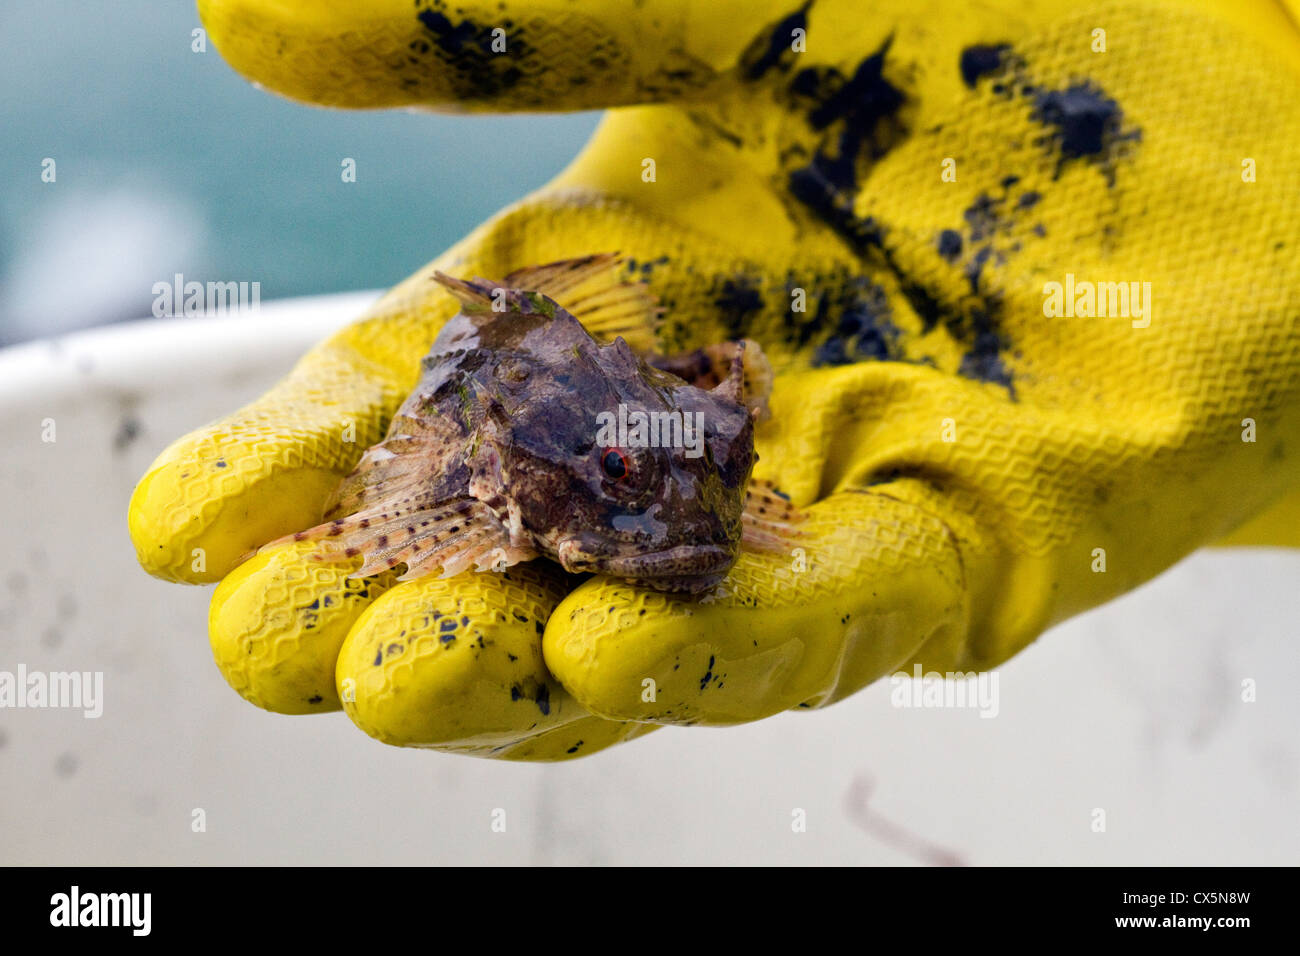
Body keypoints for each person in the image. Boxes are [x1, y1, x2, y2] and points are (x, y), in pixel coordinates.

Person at [129, 0, 1300, 759]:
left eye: (726, 470)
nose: (698, 533)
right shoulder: (487, 476)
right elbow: (427, 479)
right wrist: (390, 522)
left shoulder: (683, 463)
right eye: (645, 483)